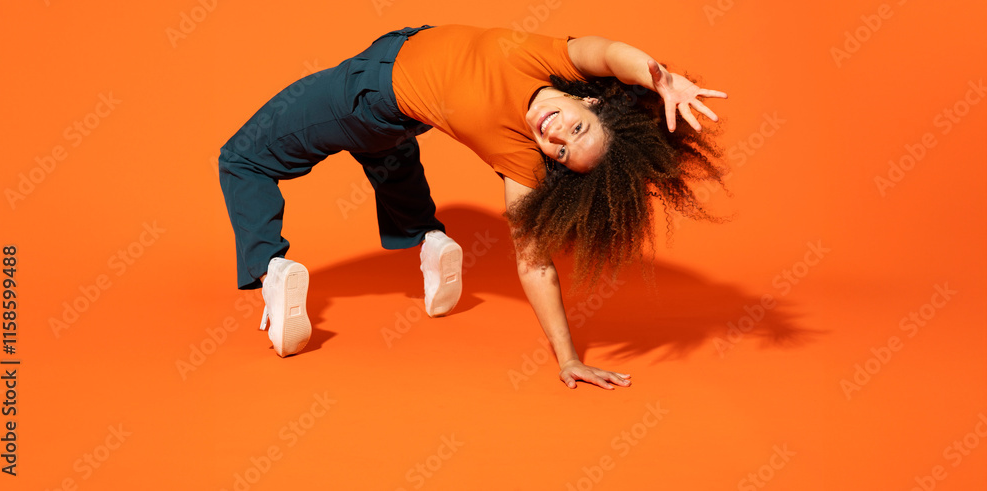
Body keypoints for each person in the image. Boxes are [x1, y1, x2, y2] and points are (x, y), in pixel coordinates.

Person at [218, 24, 729, 389]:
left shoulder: (520, 159)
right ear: (592, 104)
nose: (556, 136)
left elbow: (535, 265)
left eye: (562, 153)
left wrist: (568, 358)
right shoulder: (550, 60)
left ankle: (270, 269)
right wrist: (658, 78)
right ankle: (429, 239)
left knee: (241, 158)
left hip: (367, 90)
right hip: (399, 100)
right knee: (385, 148)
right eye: (576, 130)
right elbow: (609, 51)